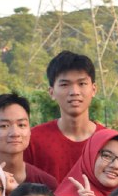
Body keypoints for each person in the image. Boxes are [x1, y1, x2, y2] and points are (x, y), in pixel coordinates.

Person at [23, 50, 101, 182]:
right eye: (65, 84)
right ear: (52, 92)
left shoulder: (110, 141)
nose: (74, 92)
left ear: (93, 89)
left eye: (82, 84)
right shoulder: (32, 141)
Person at [0, 93, 58, 187]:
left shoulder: (46, 183)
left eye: (21, 125)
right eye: (4, 126)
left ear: (29, 130)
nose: (15, 133)